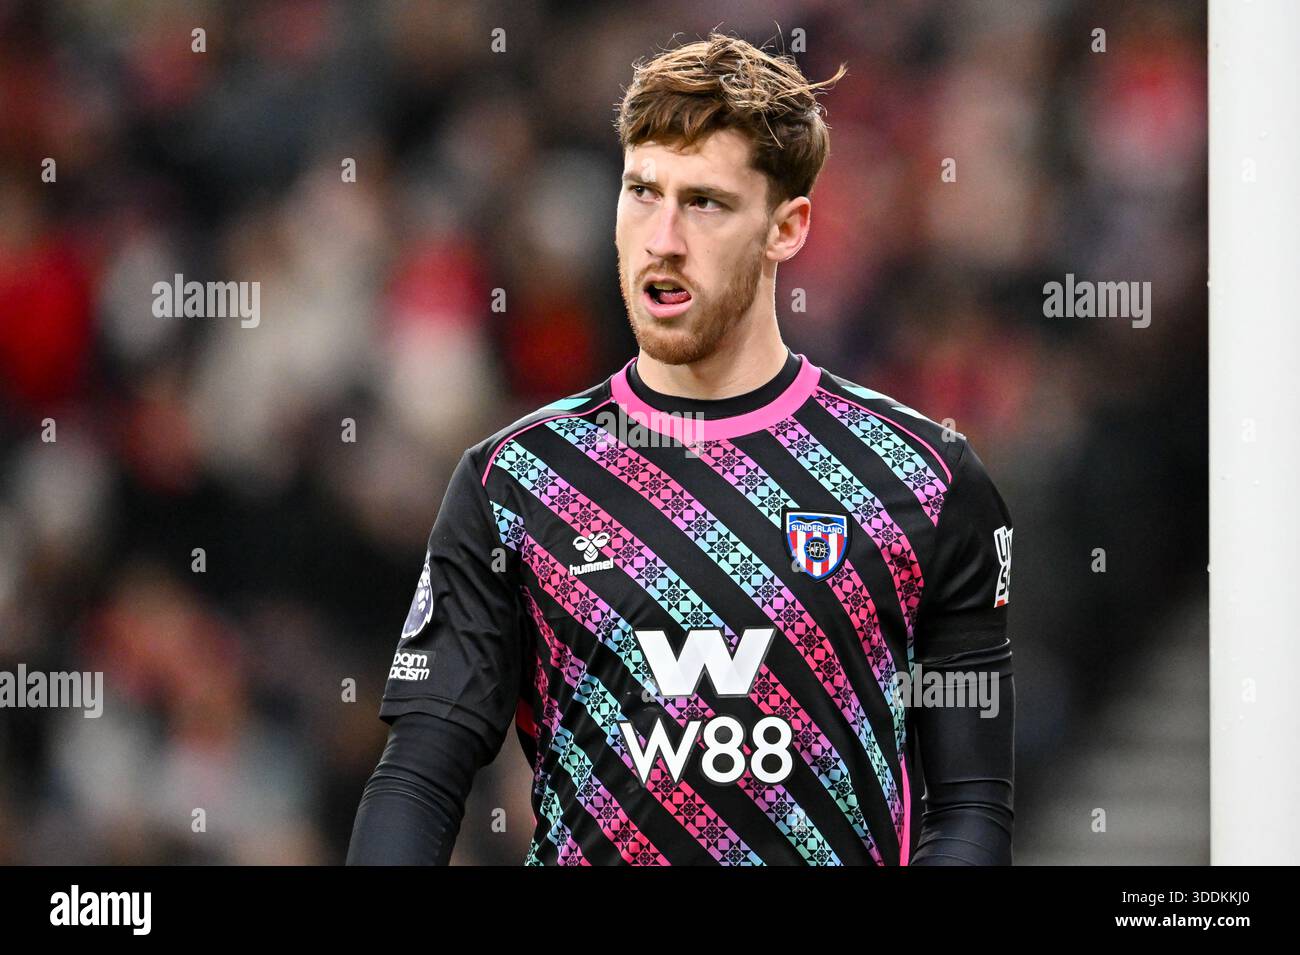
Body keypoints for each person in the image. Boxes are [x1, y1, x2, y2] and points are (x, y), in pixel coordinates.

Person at [347, 32, 1015, 866]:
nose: (662, 237)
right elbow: (418, 779)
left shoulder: (928, 481)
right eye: (641, 192)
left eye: (704, 202)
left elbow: (972, 812)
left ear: (787, 227)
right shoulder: (514, 483)